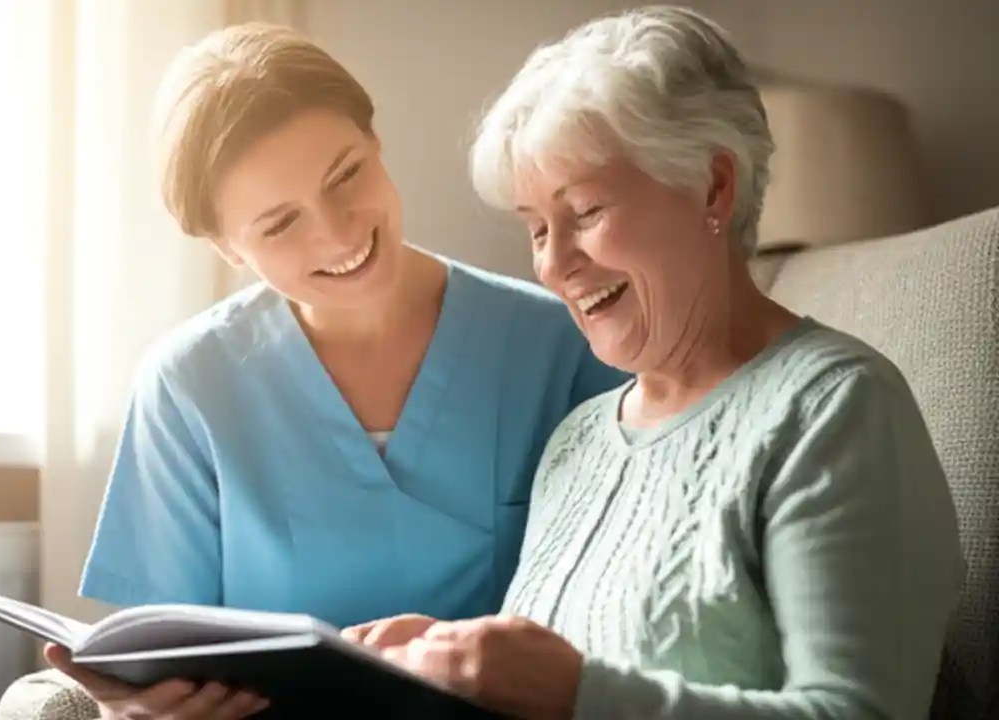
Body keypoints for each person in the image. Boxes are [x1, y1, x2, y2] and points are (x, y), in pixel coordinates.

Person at [346, 6, 964, 720]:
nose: (554, 263)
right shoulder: (577, 442)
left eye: (585, 211)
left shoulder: (833, 410)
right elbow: (573, 669)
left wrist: (574, 693)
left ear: (712, 185)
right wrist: (446, 664)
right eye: (537, 227)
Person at [2, 21, 626, 720]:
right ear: (227, 248)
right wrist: (144, 710)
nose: (337, 233)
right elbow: (161, 653)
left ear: (377, 143)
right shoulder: (188, 387)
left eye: (347, 175)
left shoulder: (558, 344)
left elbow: (618, 610)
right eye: (279, 224)